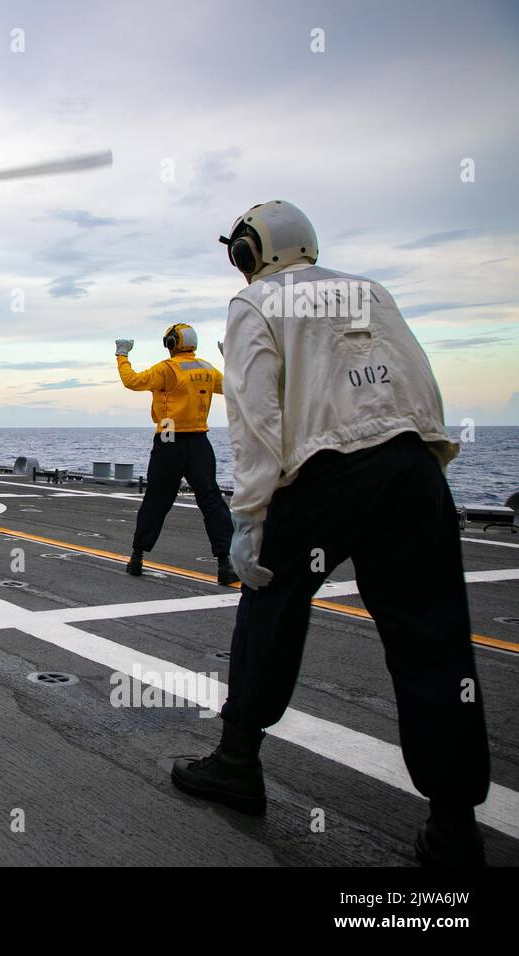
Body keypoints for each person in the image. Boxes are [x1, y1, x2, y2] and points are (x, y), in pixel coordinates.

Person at [170, 200, 490, 867]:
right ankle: (455, 827)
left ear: (250, 252)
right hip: (410, 464)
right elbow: (417, 380)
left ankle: (236, 761)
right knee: (434, 642)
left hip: (323, 474)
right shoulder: (371, 290)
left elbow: (255, 420)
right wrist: (427, 467)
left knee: (269, 608)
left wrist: (250, 516)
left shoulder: (254, 304)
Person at [115, 325, 237, 586]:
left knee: (157, 499)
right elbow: (235, 387)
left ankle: (137, 557)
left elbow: (132, 381)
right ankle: (225, 563)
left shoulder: (166, 369)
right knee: (212, 500)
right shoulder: (205, 368)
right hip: (199, 441)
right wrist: (231, 359)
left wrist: (122, 354)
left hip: (169, 438)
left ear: (171, 343)